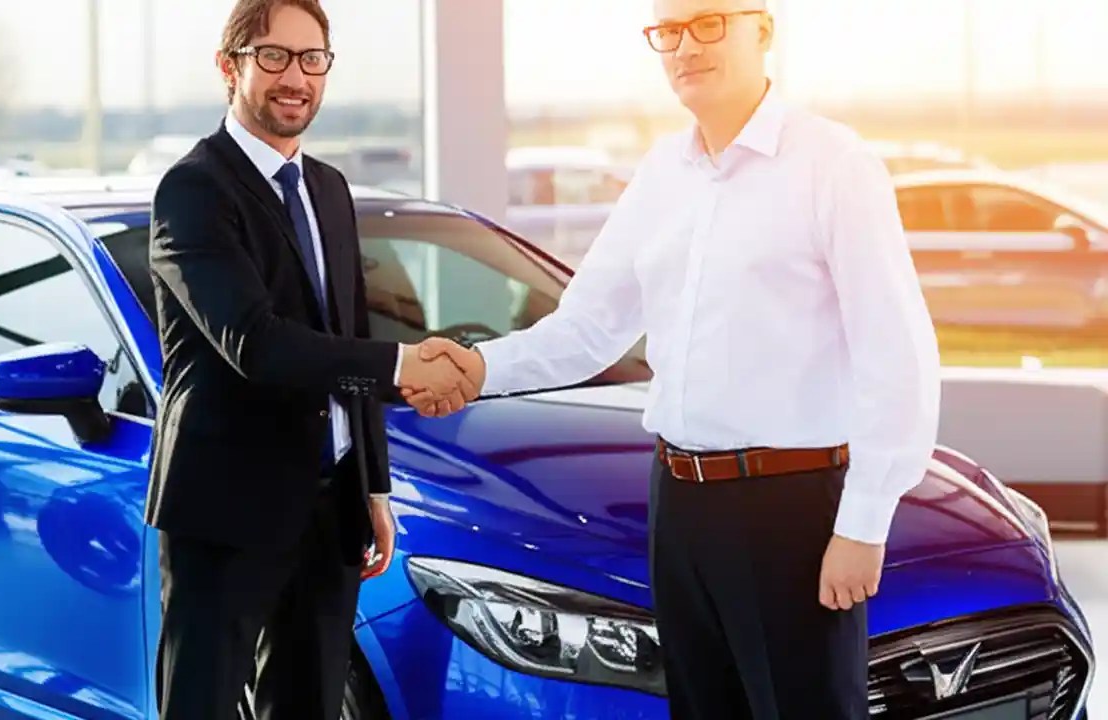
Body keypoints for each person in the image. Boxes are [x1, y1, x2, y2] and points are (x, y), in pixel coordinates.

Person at [408, 0, 941, 717]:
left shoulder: (833, 164)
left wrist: (863, 526)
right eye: (669, 32)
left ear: (763, 29)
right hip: (679, 505)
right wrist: (478, 370)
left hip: (791, 508)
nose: (686, 47)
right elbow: (590, 326)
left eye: (708, 22)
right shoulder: (663, 172)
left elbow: (897, 353)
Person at [144, 1, 472, 718]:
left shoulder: (328, 187)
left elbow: (347, 328)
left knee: (311, 705)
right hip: (227, 507)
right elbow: (255, 343)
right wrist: (404, 365)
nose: (295, 77)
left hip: (331, 510)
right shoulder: (194, 190)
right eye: (273, 56)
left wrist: (373, 485)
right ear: (228, 66)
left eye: (311, 59)